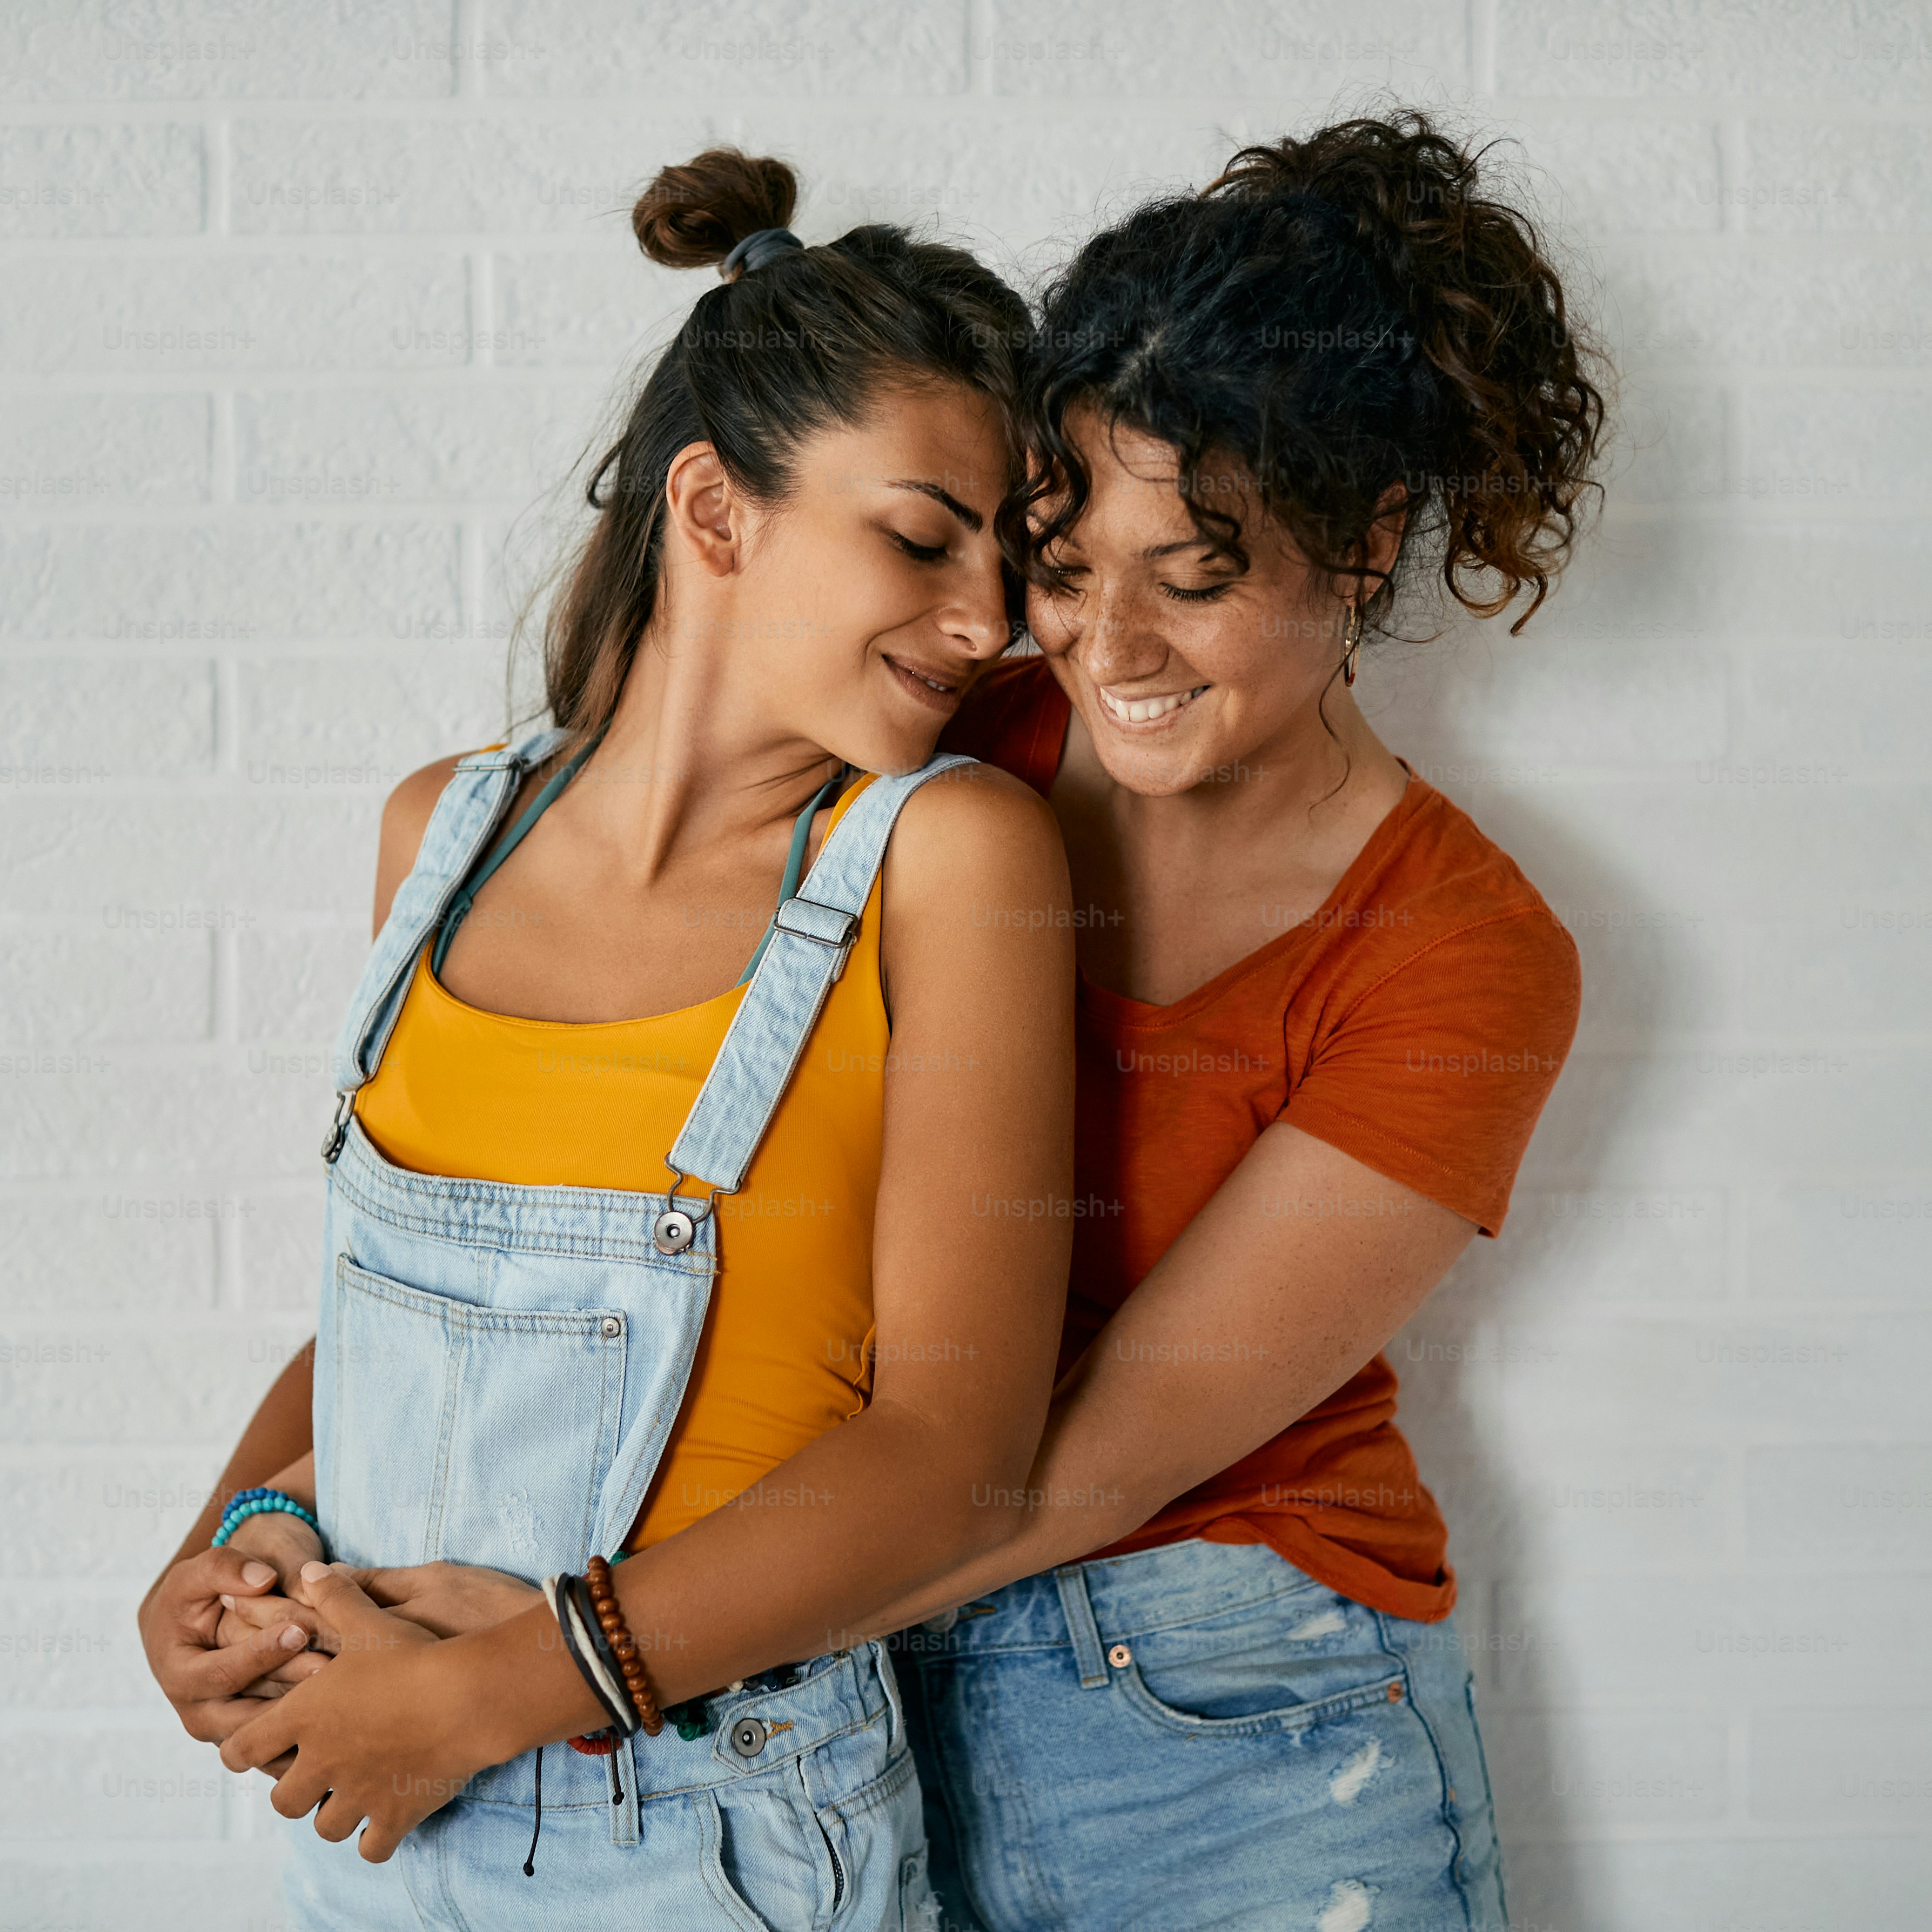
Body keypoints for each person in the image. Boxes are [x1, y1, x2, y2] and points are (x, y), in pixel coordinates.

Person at [193, 109, 1603, 1931]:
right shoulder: (922, 757)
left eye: (1198, 578)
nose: (1100, 650)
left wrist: (554, 1673)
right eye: (1064, 568)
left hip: (1215, 1721)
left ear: (1367, 543)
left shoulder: (1460, 954)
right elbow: (557, 1236)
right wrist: (276, 1546)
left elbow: (1056, 1473)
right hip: (807, 1702)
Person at [133, 148, 1076, 1932]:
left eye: (1010, 566)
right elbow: (408, 1326)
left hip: (714, 1833)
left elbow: (955, 1454)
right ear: (715, 511)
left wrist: (488, 1696)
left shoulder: (949, 860)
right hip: (370, 1816)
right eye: (923, 536)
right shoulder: (442, 834)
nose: (989, 622)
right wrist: (230, 1542)